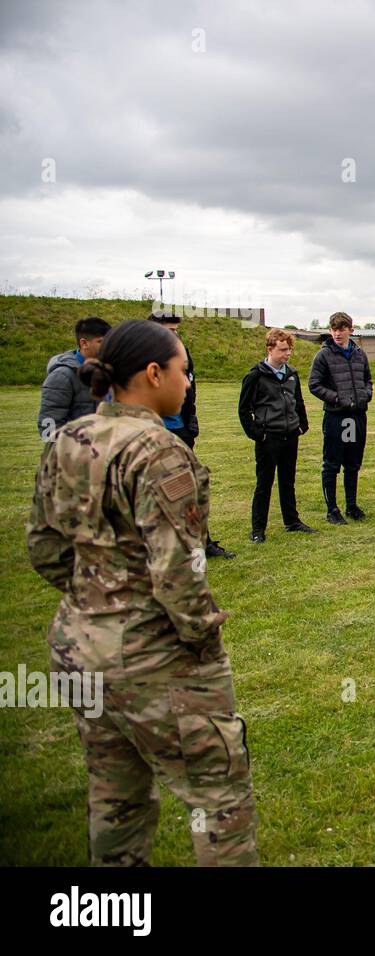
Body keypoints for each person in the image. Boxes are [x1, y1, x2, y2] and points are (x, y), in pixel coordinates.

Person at [25, 319, 258, 866]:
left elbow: (44, 548)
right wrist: (203, 644)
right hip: (155, 658)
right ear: (153, 374)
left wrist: (97, 597)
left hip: (79, 649)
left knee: (115, 796)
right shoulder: (158, 451)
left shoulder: (69, 440)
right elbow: (179, 575)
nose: (188, 381)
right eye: (184, 370)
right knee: (219, 797)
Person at [150, 312, 236, 560]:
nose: (175, 335)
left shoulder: (183, 356)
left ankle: (202, 542)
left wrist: (190, 423)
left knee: (189, 489)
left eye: (176, 331)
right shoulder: (140, 360)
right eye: (169, 330)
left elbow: (190, 392)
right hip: (155, 433)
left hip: (180, 431)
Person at [237, 329, 318, 542]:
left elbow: (298, 401)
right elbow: (244, 409)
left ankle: (292, 521)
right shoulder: (256, 375)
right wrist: (257, 434)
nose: (287, 354)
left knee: (287, 481)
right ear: (270, 349)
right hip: (268, 437)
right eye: (282, 350)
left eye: (289, 349)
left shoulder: (291, 374)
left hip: (290, 435)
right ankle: (258, 529)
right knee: (264, 483)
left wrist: (302, 425)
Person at [308, 311, 373, 525]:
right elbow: (314, 384)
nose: (337, 333)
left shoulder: (359, 353)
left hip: (356, 416)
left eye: (342, 329)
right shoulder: (324, 355)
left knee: (353, 462)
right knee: (332, 463)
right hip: (336, 416)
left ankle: (351, 505)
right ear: (330, 331)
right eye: (334, 329)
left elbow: (367, 379)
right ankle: (332, 509)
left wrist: (365, 395)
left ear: (350, 330)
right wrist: (336, 398)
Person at [38, 316, 111, 438]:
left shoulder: (107, 371)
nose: (107, 346)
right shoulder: (62, 375)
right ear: (84, 343)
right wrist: (65, 451)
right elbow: (48, 424)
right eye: (101, 341)